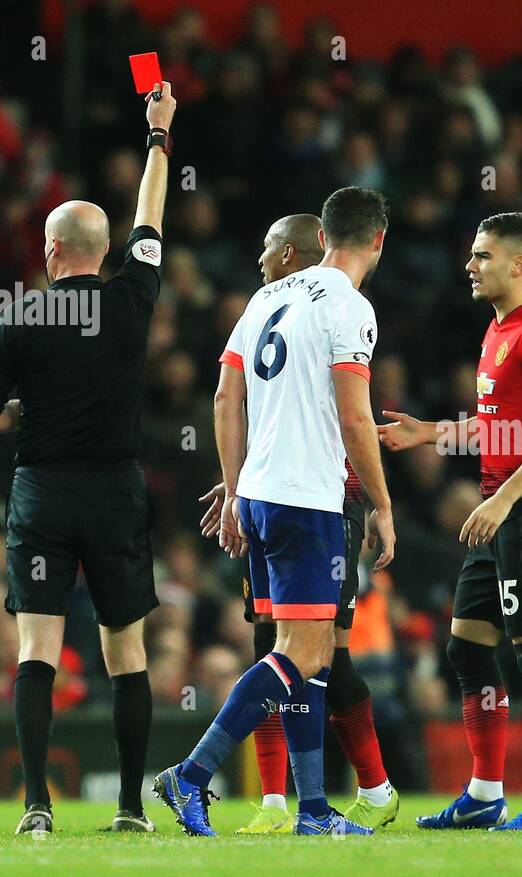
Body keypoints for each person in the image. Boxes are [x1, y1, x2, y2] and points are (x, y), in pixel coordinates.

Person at [0, 81, 177, 835]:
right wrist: (157, 136)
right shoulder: (133, 299)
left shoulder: (20, 314)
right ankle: (128, 808)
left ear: (51, 251)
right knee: (127, 650)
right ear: (107, 251)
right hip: (116, 491)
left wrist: (25, 411)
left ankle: (36, 806)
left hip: (44, 492)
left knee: (38, 648)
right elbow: (151, 213)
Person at [153, 186, 395, 838]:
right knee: (303, 654)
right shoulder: (349, 307)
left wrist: (234, 488)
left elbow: (225, 398)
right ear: (376, 240)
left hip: (259, 495)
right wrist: (382, 501)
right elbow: (354, 415)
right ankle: (192, 773)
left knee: (299, 658)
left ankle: (311, 810)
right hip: (307, 499)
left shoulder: (266, 297)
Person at [381, 212, 522, 830]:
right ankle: (485, 791)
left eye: (483, 255)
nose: (471, 265)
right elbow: (496, 426)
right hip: (501, 510)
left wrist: (500, 501)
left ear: (521, 264)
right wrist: (430, 433)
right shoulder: (498, 331)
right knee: (467, 650)